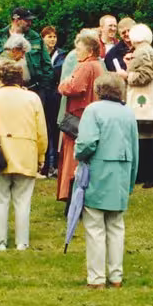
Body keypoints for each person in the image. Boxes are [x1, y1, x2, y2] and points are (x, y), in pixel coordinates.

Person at [0, 60, 48, 251]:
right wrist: (41, 156)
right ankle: (22, 242)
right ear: (21, 77)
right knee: (23, 201)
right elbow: (41, 132)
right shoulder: (32, 98)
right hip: (26, 153)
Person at [75, 73, 140, 288]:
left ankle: (96, 279)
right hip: (122, 172)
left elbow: (86, 143)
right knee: (116, 226)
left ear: (99, 91)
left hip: (99, 171)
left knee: (94, 226)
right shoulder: (128, 113)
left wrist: (78, 154)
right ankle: (116, 276)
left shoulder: (93, 110)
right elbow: (135, 149)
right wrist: (131, 180)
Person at [56, 30, 106, 202]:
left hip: (79, 118)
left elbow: (74, 87)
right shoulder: (98, 65)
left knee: (74, 158)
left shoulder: (86, 66)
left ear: (90, 51)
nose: (76, 52)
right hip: (90, 117)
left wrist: (63, 84)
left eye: (79, 49)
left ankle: (72, 196)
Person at [123, 23, 153, 188]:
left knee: (145, 142)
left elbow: (146, 75)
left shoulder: (142, 51)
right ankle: (145, 175)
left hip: (144, 102)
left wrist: (127, 75)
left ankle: (151, 176)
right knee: (145, 141)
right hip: (147, 102)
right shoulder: (148, 49)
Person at [38, 26, 66, 176]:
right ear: (43, 38)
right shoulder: (38, 54)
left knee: (55, 129)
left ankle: (55, 164)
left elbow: (56, 72)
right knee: (44, 129)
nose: (52, 39)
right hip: (42, 93)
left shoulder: (61, 55)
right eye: (49, 37)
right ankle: (44, 164)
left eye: (54, 37)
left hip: (55, 95)